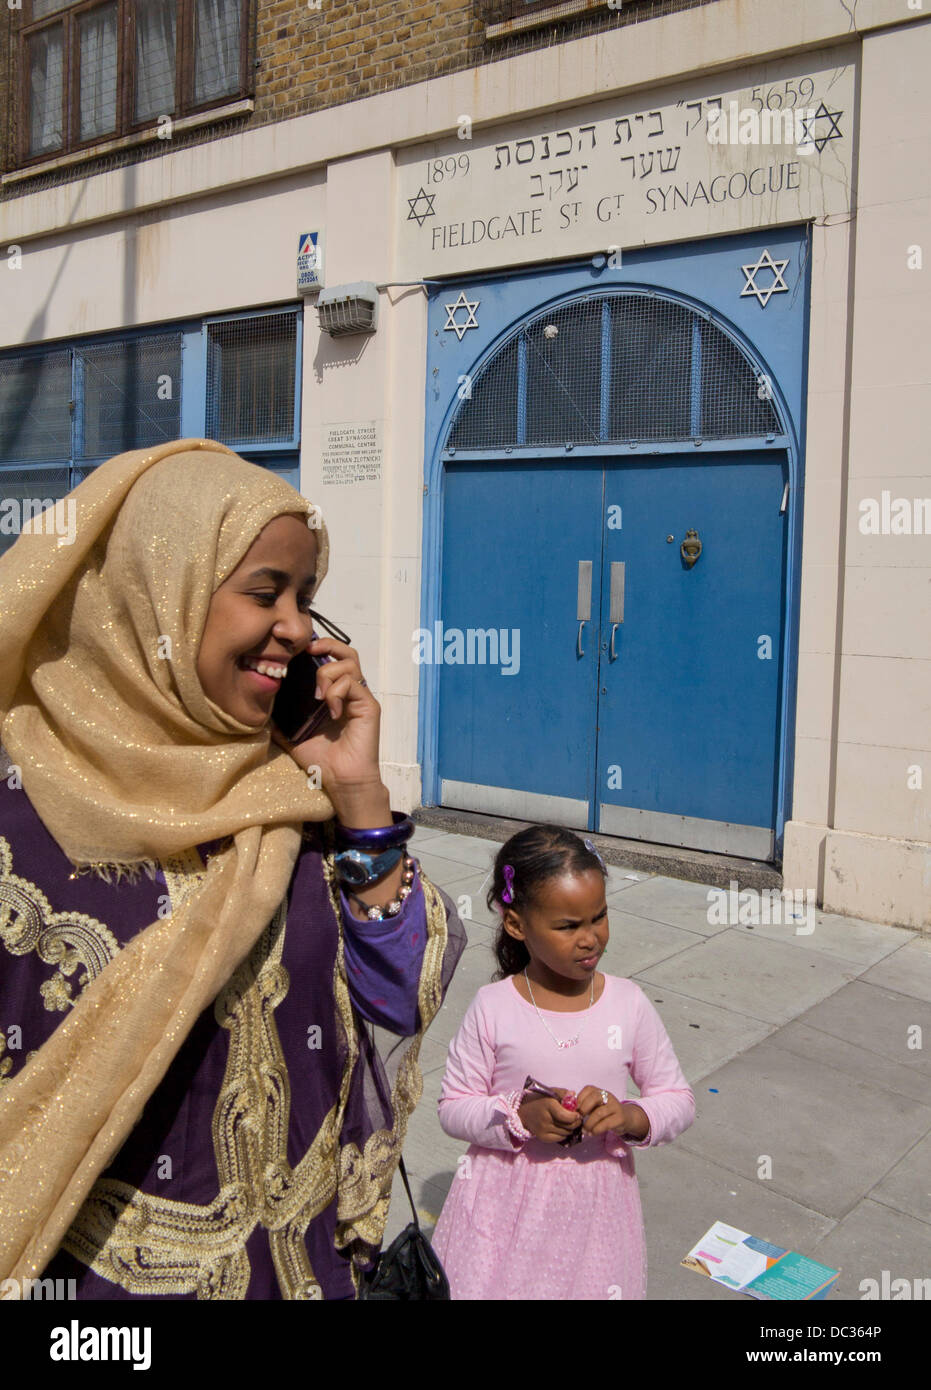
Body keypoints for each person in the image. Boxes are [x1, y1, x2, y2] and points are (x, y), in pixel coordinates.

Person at [0, 438, 466, 1300]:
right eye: (266, 593)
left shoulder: (296, 799)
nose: (296, 628)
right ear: (156, 598)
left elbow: (404, 995)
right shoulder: (23, 822)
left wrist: (357, 793)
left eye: (306, 599)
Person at [429, 824, 695, 1300]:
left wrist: (632, 1116)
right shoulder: (494, 1006)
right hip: (499, 1209)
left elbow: (677, 1098)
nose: (591, 939)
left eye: (599, 917)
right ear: (516, 925)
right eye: (569, 927)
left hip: (596, 1213)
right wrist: (518, 1114)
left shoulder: (628, 1004)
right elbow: (454, 1107)